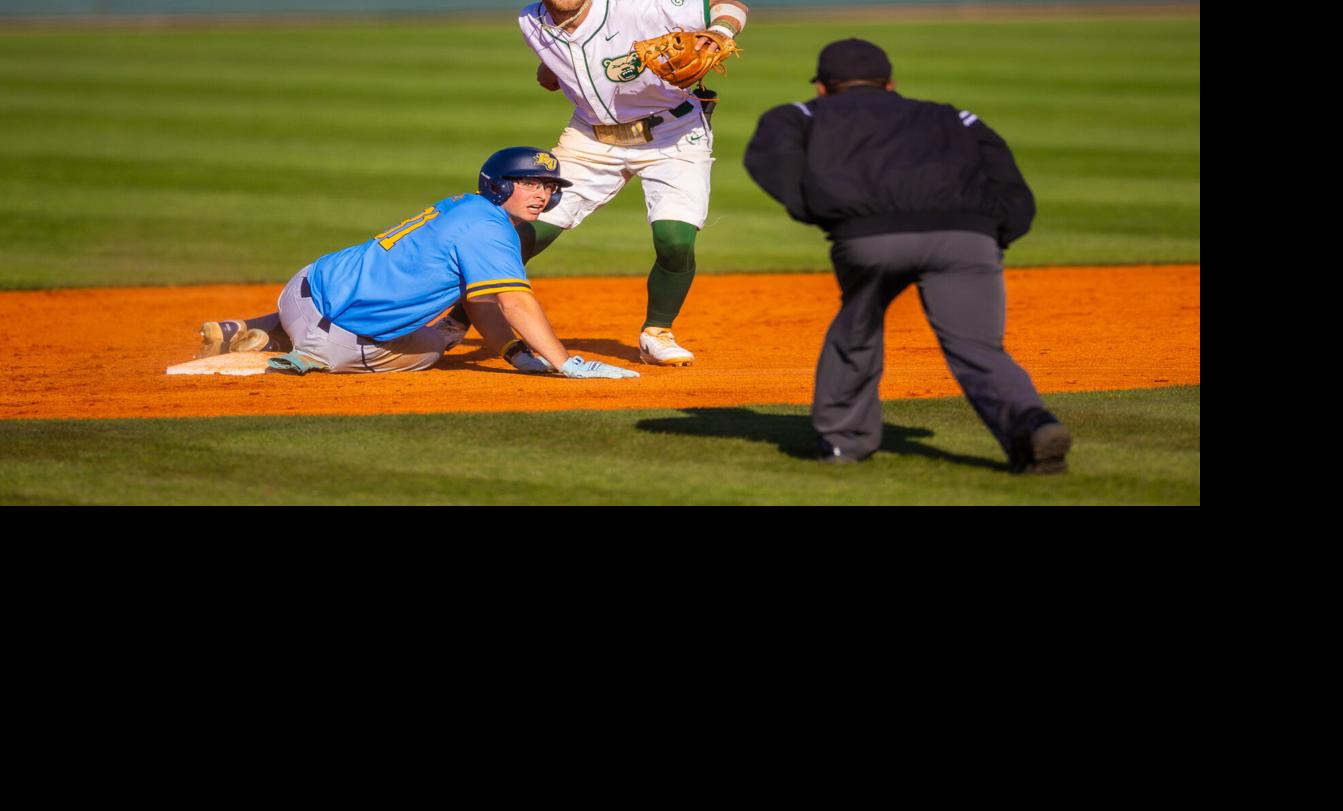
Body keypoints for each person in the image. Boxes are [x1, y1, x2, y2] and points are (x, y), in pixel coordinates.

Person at [742, 39, 1071, 474]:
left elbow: (769, 156)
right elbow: (1009, 185)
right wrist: (992, 238)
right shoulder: (954, 116)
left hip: (869, 240)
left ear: (822, 88)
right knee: (980, 349)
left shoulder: (801, 114)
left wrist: (829, 215)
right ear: (891, 84)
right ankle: (1032, 424)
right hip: (967, 238)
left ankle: (844, 444)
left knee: (857, 331)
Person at [199, 147, 639, 380]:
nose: (542, 195)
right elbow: (512, 304)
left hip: (303, 285)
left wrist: (511, 350)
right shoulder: (492, 232)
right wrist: (565, 363)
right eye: (529, 184)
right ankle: (293, 353)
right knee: (431, 348)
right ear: (501, 186)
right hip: (333, 339)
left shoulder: (461, 205)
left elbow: (480, 295)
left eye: (547, 186)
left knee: (427, 300)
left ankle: (254, 326)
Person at [502, 0, 751, 367]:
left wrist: (720, 31)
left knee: (675, 238)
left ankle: (657, 333)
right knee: (523, 233)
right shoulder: (530, 21)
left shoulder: (636, 6)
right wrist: (551, 69)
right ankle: (460, 319)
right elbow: (571, 57)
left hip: (673, 136)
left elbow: (728, 5)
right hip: (590, 141)